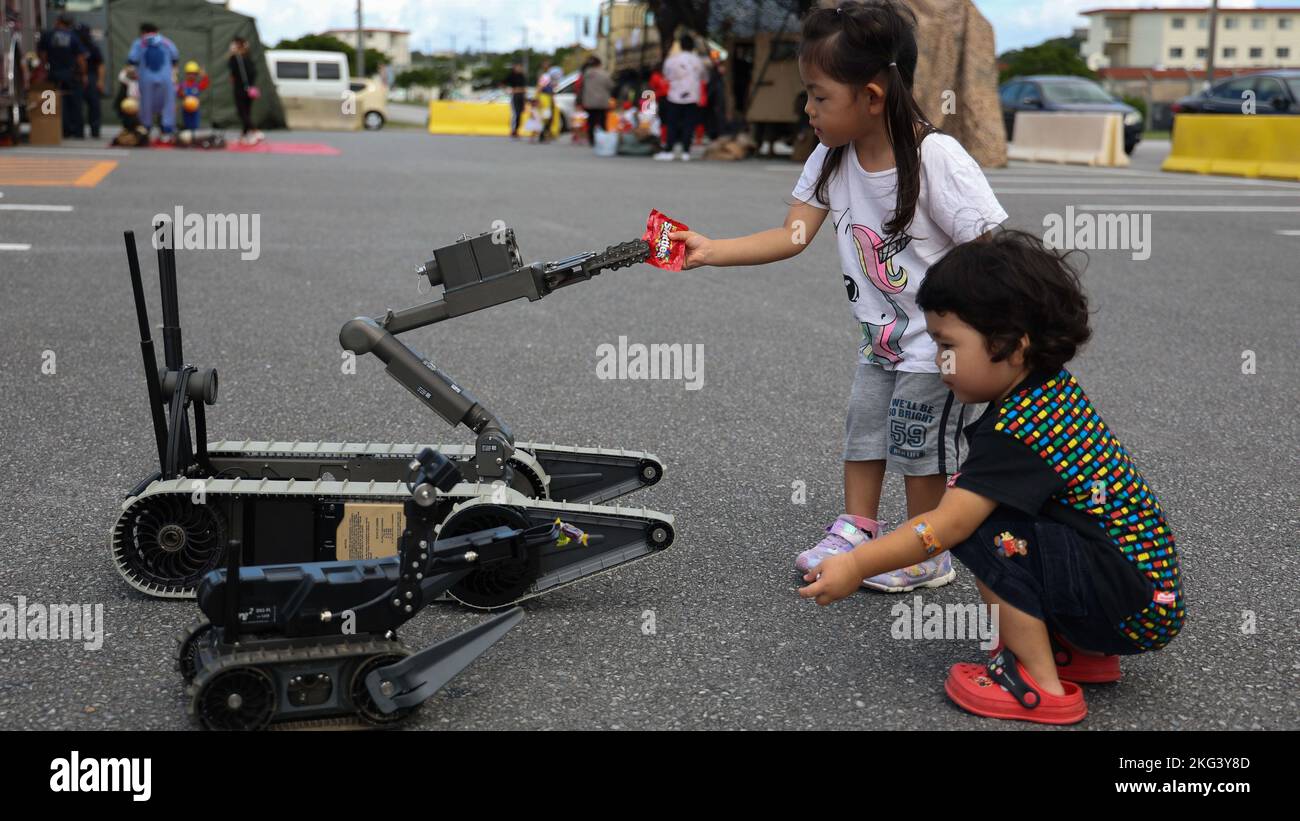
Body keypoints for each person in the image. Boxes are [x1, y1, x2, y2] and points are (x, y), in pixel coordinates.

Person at [667, 0, 1007, 593]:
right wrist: (711, 249)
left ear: (872, 96)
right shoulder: (832, 156)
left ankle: (928, 546)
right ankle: (858, 527)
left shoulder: (935, 159)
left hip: (939, 346)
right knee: (866, 428)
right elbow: (792, 235)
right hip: (880, 338)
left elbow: (992, 249)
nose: (808, 108)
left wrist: (988, 337)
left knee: (917, 440)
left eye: (819, 96)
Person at [800, 229, 1185, 724]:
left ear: (1010, 346)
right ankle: (1075, 649)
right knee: (998, 514)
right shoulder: (1049, 394)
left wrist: (858, 565)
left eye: (947, 345)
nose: (939, 361)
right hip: (1141, 595)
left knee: (978, 526)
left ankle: (1037, 683)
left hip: (1126, 603)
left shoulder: (1016, 433)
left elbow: (943, 529)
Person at [654, 33, 706, 161]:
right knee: (689, 124)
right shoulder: (698, 60)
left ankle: (669, 150)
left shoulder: (672, 60)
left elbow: (666, 75)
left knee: (672, 123)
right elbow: (703, 77)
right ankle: (686, 151)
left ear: (681, 45)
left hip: (675, 95)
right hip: (693, 95)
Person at [127, 22, 179, 143]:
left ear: (143, 32)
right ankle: (166, 132)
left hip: (146, 79)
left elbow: (131, 60)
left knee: (146, 105)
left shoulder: (139, 42)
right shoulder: (166, 42)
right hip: (166, 79)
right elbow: (175, 58)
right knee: (167, 105)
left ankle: (146, 132)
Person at [37, 13, 86, 139]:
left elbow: (43, 55)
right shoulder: (73, 37)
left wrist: (44, 68)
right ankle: (78, 131)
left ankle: (58, 131)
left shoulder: (48, 35)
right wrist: (83, 74)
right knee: (75, 103)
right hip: (70, 74)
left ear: (58, 21)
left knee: (54, 103)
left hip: (53, 73)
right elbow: (80, 58)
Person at [228, 37, 263, 145]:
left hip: (240, 89)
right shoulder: (248, 58)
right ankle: (243, 137)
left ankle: (256, 132)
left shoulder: (235, 58)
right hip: (250, 89)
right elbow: (254, 73)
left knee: (242, 113)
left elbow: (232, 75)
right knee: (246, 113)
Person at [74, 24, 104, 139]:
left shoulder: (93, 47)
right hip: (77, 77)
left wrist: (100, 81)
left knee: (94, 106)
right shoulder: (75, 46)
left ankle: (95, 130)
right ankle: (78, 132)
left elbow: (100, 65)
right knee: (77, 106)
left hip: (91, 77)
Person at [580, 57, 614, 147]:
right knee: (602, 122)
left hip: (589, 102)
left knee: (591, 122)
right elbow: (610, 85)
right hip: (602, 102)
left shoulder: (586, 74)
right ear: (599, 64)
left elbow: (581, 87)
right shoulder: (604, 74)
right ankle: (603, 140)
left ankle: (592, 140)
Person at [176, 60, 209, 140]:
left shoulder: (196, 85)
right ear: (186, 74)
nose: (191, 76)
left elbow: (205, 84)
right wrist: (181, 93)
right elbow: (178, 94)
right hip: (186, 109)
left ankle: (194, 138)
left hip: (195, 110)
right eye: (189, 74)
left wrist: (204, 76)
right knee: (187, 124)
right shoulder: (183, 85)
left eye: (194, 74)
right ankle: (187, 138)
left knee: (195, 125)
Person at [504, 61, 527, 139]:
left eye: (520, 67)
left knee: (520, 113)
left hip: (521, 96)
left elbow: (524, 87)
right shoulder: (511, 75)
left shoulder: (522, 76)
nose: (519, 68)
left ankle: (517, 130)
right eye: (518, 66)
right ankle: (513, 130)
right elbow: (503, 83)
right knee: (515, 113)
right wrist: (508, 90)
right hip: (515, 95)